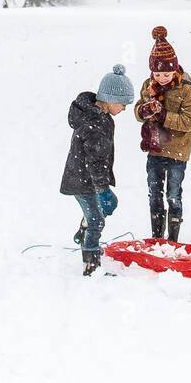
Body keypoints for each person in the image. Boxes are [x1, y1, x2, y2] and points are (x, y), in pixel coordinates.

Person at [59, 64, 135, 276]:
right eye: (122, 103)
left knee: (102, 212)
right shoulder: (95, 123)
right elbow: (95, 161)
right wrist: (103, 190)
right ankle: (91, 267)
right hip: (82, 180)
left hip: (87, 178)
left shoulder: (100, 118)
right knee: (97, 221)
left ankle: (84, 231)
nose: (124, 108)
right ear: (109, 99)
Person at [134, 25, 191, 242]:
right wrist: (143, 110)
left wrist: (163, 116)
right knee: (154, 193)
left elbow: (190, 120)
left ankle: (173, 238)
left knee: (173, 194)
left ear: (175, 69)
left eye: (167, 73)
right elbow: (138, 111)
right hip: (155, 150)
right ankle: (156, 236)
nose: (162, 78)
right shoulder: (148, 85)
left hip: (177, 153)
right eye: (158, 73)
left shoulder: (186, 89)